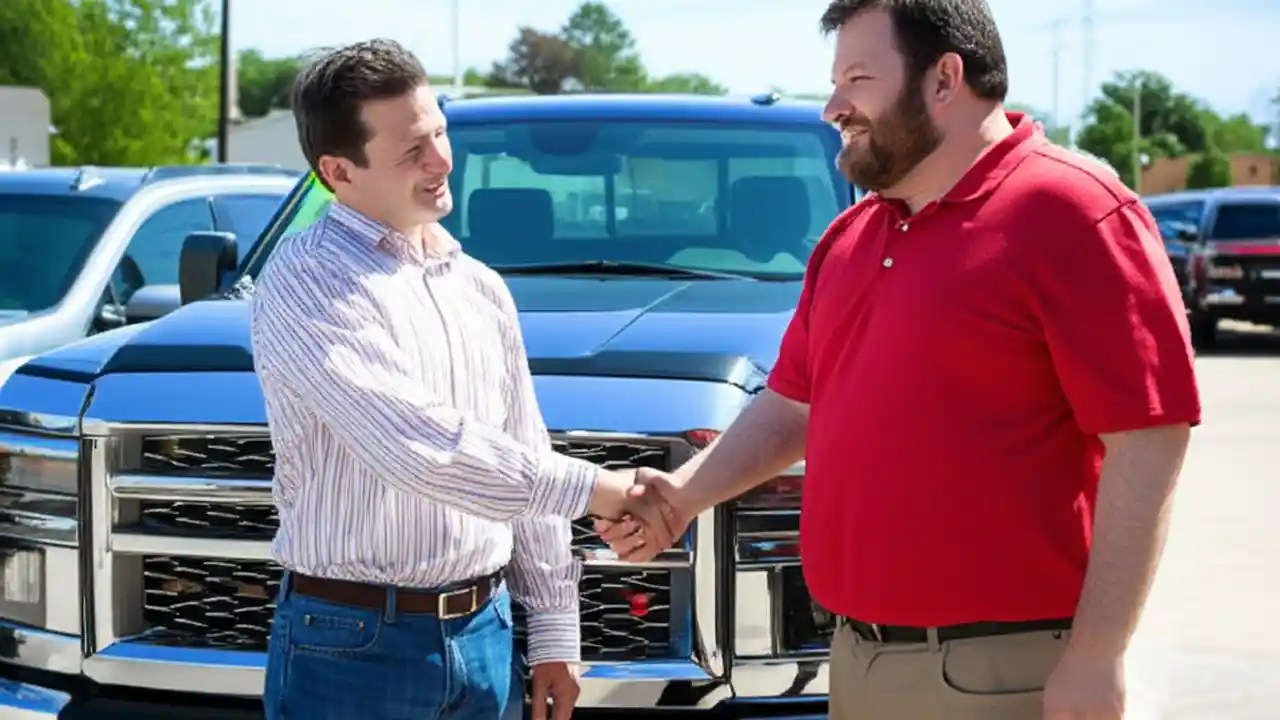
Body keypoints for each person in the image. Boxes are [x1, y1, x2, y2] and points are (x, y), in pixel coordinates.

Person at [597, 1, 1200, 718]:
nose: (832, 107)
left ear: (945, 78)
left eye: (857, 79)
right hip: (853, 659)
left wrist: (1099, 654)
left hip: (1002, 670)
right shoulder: (849, 240)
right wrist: (682, 496)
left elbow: (1149, 436)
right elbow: (794, 406)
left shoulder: (1074, 214)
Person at [250, 39, 663, 720]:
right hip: (351, 652)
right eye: (412, 150)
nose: (443, 160)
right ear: (336, 172)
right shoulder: (306, 280)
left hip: (487, 638)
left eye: (440, 131)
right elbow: (419, 447)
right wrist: (603, 490)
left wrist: (555, 629)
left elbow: (521, 451)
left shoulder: (479, 288)